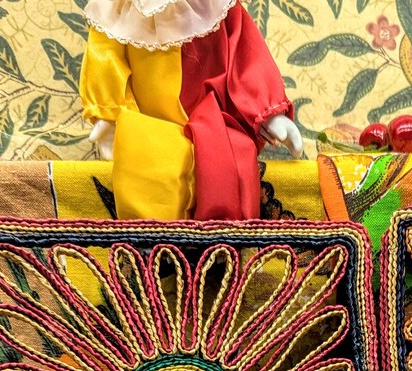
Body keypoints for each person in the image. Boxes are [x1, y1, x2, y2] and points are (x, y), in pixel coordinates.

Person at [80, 0, 303, 220]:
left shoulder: (217, 6)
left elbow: (246, 56)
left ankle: (221, 239)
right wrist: (106, 115)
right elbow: (106, 60)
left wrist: (268, 111)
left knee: (236, 155)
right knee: (144, 159)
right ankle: (155, 241)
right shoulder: (117, 11)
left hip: (213, 122)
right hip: (148, 125)